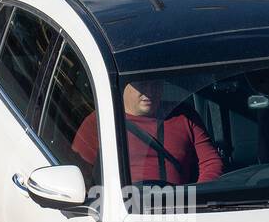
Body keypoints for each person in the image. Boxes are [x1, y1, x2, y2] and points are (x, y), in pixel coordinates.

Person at [72, 79, 224, 185]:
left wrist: (196, 199)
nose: (150, 91)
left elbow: (211, 163)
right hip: (124, 213)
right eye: (142, 85)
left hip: (182, 210)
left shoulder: (184, 116)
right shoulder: (100, 122)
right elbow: (78, 175)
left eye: (155, 84)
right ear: (124, 86)